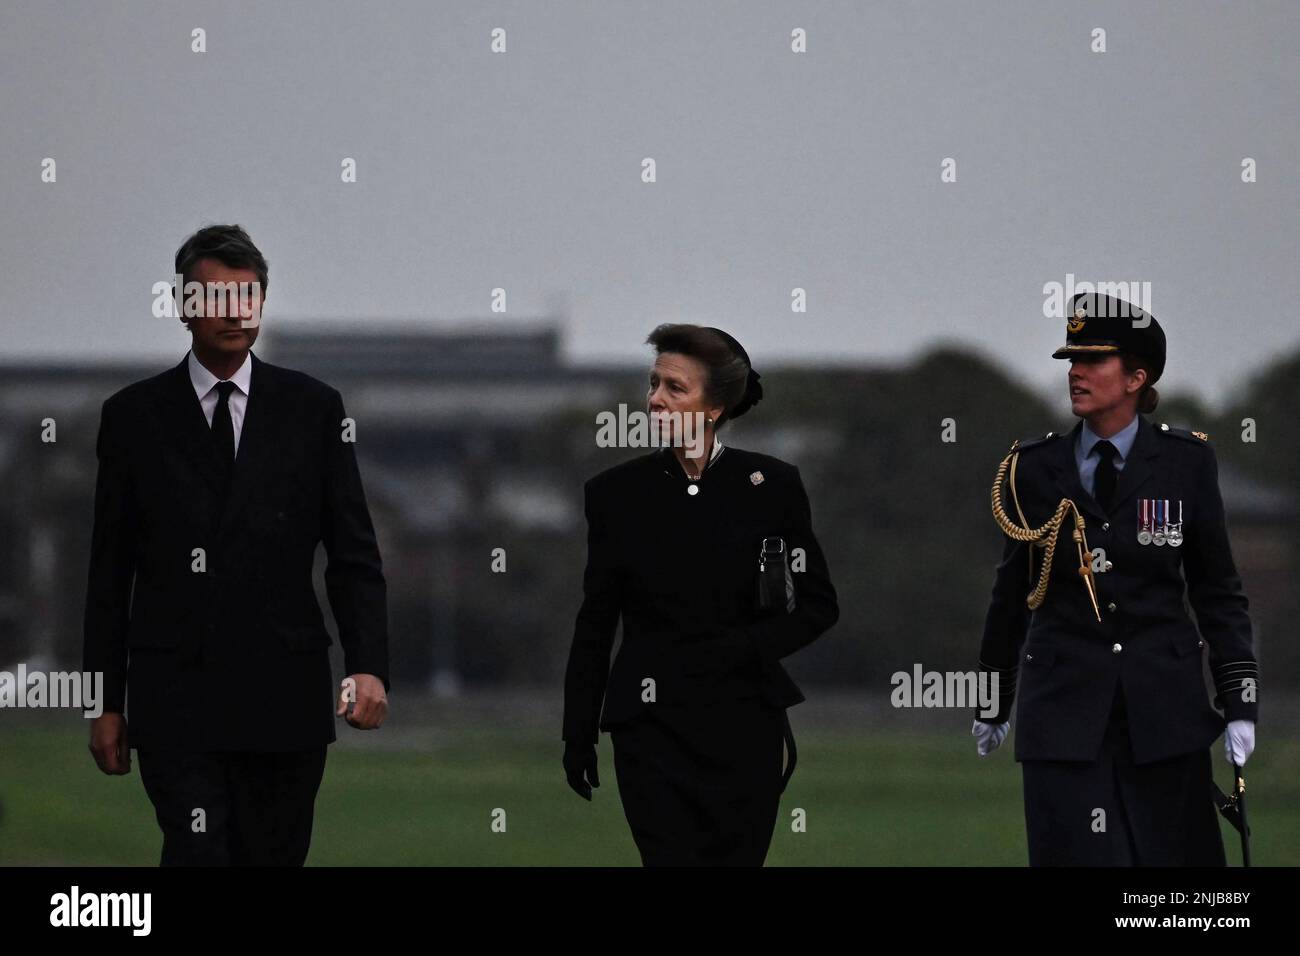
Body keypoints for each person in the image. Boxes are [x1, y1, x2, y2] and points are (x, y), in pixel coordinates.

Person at [82, 224, 390, 865]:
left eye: (248, 296)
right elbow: (109, 574)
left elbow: (352, 552)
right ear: (183, 308)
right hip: (176, 700)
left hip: (284, 697)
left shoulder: (314, 410)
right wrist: (105, 702)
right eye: (215, 297)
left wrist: (368, 665)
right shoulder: (134, 418)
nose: (234, 312)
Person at [972, 291, 1258, 866]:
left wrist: (1240, 700)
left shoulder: (1186, 463)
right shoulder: (1032, 467)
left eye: (1093, 360)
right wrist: (991, 697)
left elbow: (1217, 590)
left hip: (1165, 715)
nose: (1075, 372)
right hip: (1064, 716)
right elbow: (1011, 594)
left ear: (1136, 378)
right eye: (1071, 360)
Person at [562, 324, 839, 865]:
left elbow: (818, 605)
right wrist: (578, 734)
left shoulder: (772, 486)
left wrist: (743, 649)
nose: (655, 399)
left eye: (674, 388)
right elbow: (595, 624)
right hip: (650, 730)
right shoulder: (615, 495)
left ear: (712, 408)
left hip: (744, 727)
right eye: (653, 383)